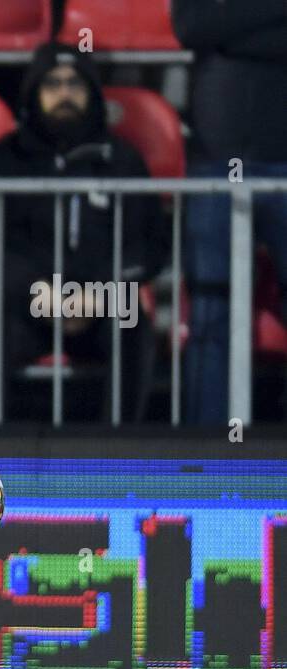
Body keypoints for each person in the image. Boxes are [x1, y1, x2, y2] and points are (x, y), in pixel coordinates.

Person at [0, 42, 169, 425]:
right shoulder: (1, 161)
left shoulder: (122, 160)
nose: (64, 93)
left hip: (102, 303)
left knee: (135, 325)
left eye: (75, 84)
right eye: (52, 83)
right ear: (33, 93)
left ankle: (117, 458)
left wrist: (98, 293)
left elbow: (151, 245)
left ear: (92, 94)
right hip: (27, 302)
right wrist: (37, 290)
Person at [173, 0, 287, 425]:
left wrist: (231, 31)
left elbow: (214, 27)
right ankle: (207, 445)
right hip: (217, 163)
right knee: (211, 303)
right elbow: (192, 26)